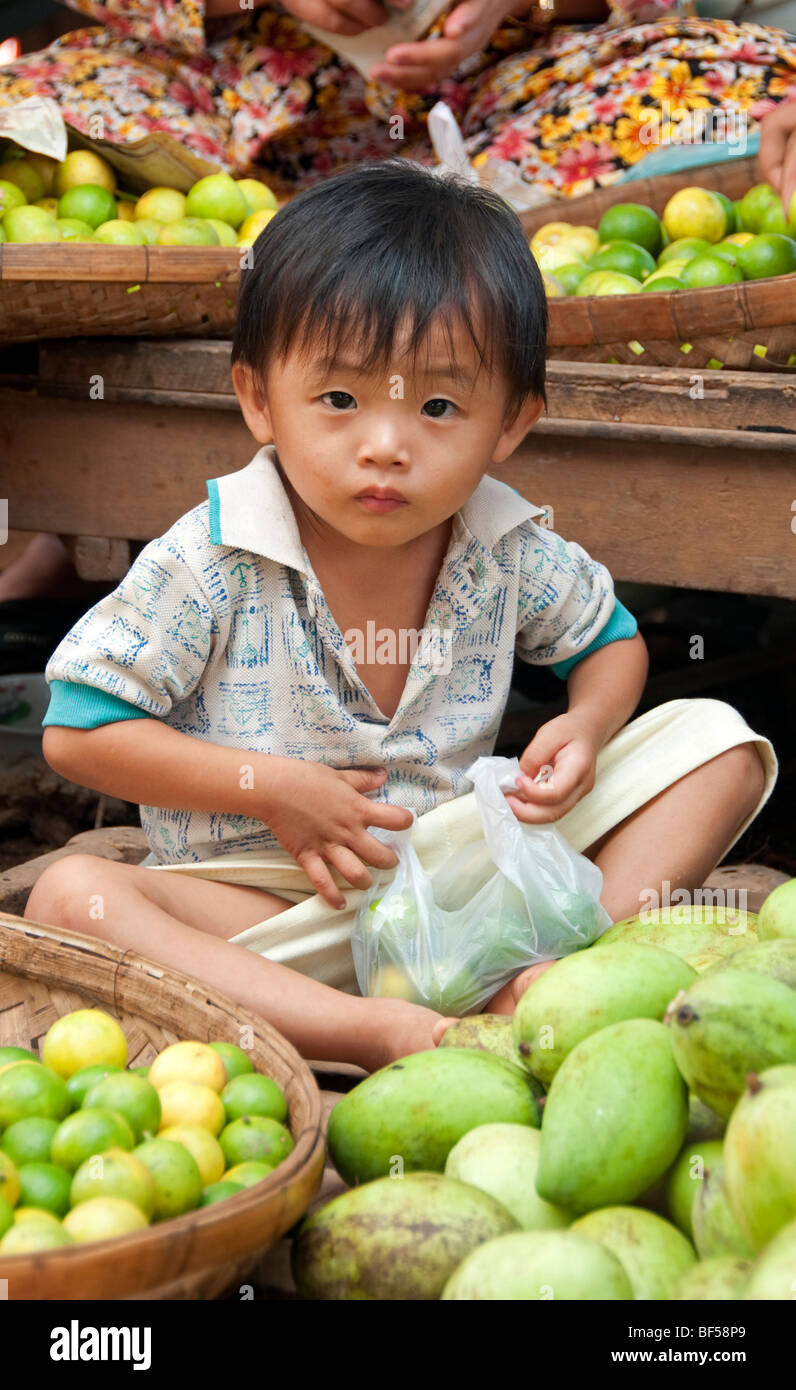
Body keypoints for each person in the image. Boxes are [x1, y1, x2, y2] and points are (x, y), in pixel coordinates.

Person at [26, 161, 775, 1070]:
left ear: (510, 424)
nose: (386, 446)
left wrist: (585, 725)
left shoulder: (503, 545)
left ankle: (552, 980)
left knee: (721, 746)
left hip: (459, 897)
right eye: (339, 399)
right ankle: (376, 1030)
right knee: (71, 897)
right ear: (260, 399)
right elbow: (81, 729)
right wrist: (275, 789)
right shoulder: (211, 559)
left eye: (438, 405)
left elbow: (608, 642)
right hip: (271, 910)